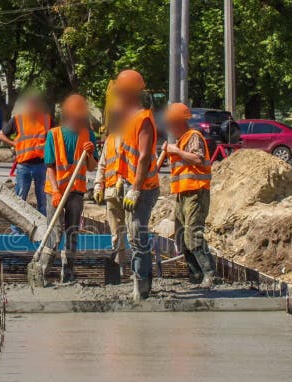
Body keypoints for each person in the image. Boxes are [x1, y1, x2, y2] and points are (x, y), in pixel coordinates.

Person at [114, 69, 160, 301]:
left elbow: (142, 157)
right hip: (130, 183)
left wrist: (136, 188)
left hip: (144, 187)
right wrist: (121, 179)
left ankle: (140, 288)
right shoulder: (128, 116)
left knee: (138, 236)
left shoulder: (144, 119)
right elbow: (126, 154)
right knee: (133, 237)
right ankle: (142, 283)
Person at [161, 103, 217, 288]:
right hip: (182, 194)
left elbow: (198, 158)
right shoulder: (180, 141)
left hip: (196, 192)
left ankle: (209, 274)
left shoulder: (193, 137)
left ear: (178, 121)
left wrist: (175, 151)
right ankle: (195, 275)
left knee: (193, 235)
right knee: (180, 236)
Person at [43, 94, 98, 283]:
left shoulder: (88, 135)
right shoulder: (54, 134)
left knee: (72, 231)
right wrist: (56, 191)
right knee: (53, 231)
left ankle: (68, 270)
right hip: (55, 191)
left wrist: (90, 153)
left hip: (76, 190)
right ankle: (45, 268)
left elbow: (91, 167)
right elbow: (50, 166)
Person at [0, 93, 52, 216]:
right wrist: (13, 143)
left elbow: (55, 137)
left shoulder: (46, 119)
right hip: (23, 165)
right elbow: (0, 135)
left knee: (42, 200)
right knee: (20, 200)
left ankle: (43, 228)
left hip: (41, 164)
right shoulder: (18, 119)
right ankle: (17, 230)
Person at [93, 102, 127, 272]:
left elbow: (134, 163)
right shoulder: (111, 139)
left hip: (126, 190)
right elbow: (102, 164)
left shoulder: (131, 137)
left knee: (133, 231)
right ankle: (120, 266)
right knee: (116, 232)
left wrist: (124, 180)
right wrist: (99, 185)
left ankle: (134, 268)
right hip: (111, 191)